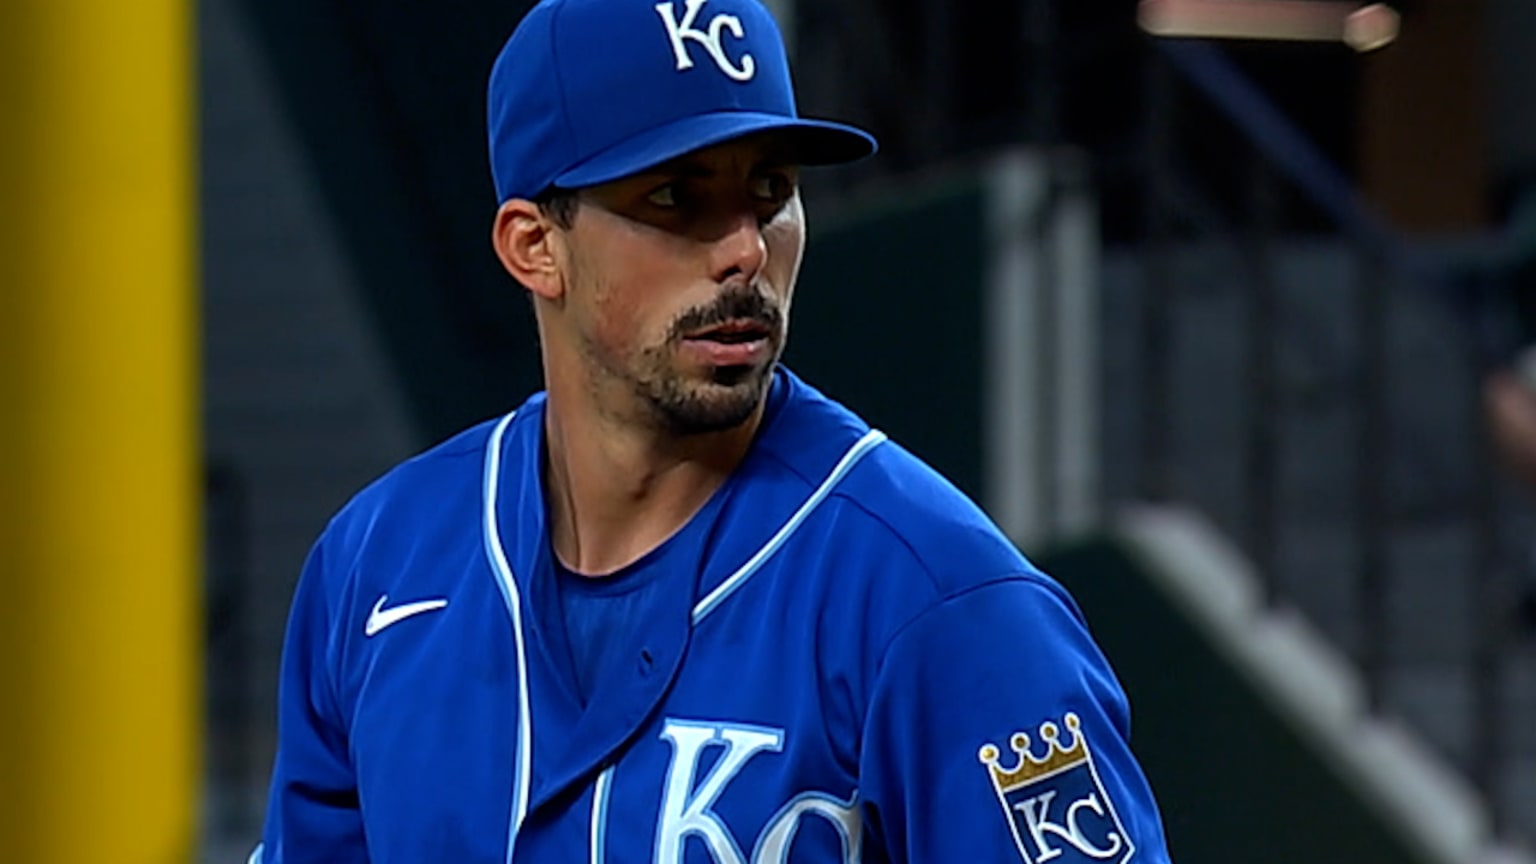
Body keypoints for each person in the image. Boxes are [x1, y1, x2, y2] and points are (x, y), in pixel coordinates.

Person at [252, 0, 1172, 860]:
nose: (744, 250)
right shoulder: (379, 566)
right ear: (535, 246)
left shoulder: (941, 607)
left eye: (770, 191)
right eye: (674, 200)